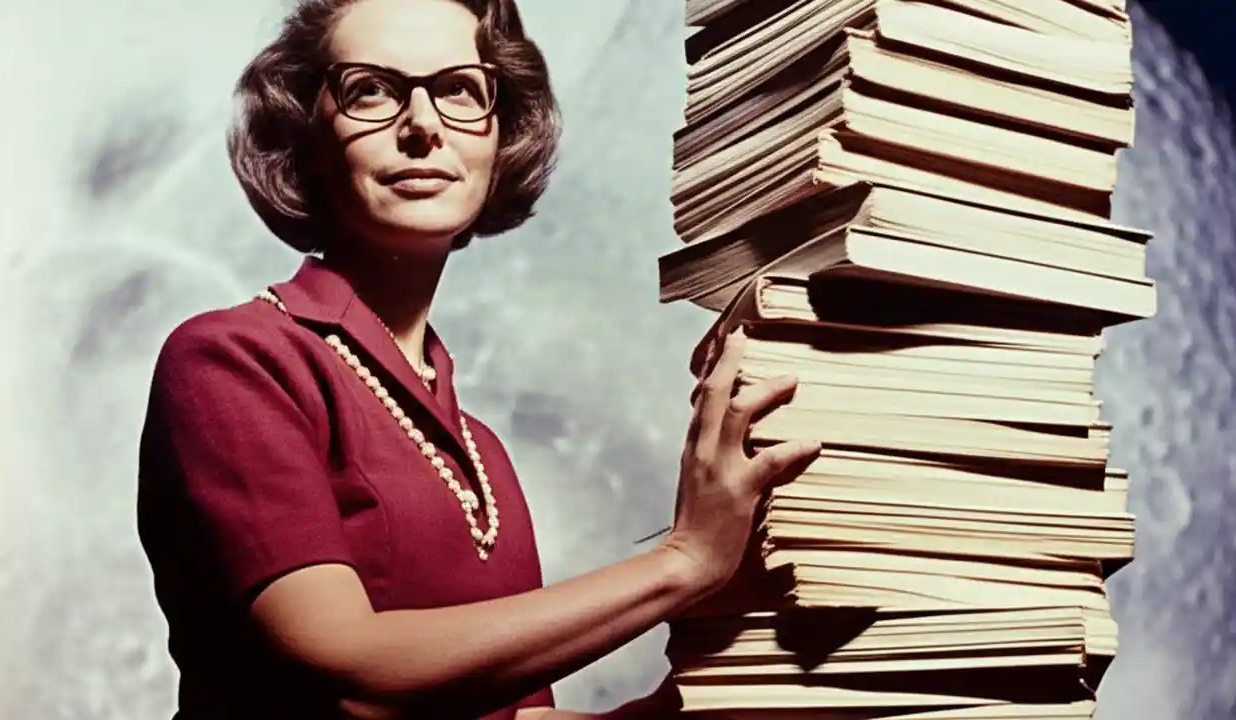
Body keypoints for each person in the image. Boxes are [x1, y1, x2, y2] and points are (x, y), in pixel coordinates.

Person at [135, 0, 823, 717]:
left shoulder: (480, 451)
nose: (423, 126)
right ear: (306, 134)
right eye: (370, 89)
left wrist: (741, 669)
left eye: (460, 88)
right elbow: (348, 681)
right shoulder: (232, 360)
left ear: (501, 136)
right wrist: (683, 565)